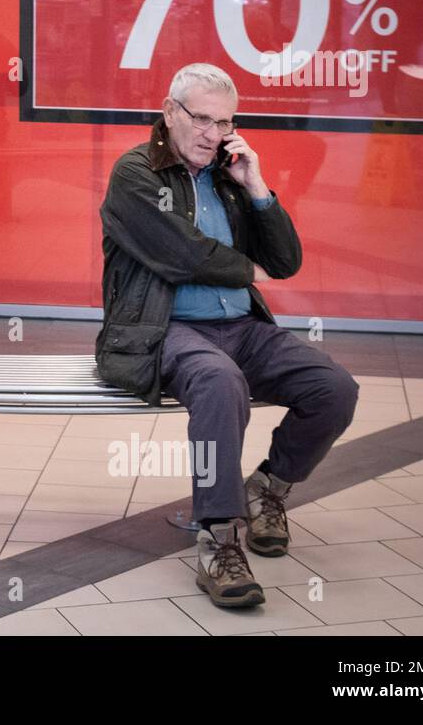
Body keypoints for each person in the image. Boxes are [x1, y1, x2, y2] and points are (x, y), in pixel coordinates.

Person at [97, 62, 359, 608]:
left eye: (224, 122)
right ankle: (218, 538)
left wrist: (257, 187)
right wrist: (248, 270)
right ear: (169, 113)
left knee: (334, 388)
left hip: (241, 327)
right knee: (220, 382)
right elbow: (181, 254)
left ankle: (269, 489)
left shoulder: (228, 177)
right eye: (201, 119)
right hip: (166, 328)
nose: (212, 134)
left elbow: (284, 261)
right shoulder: (136, 174)